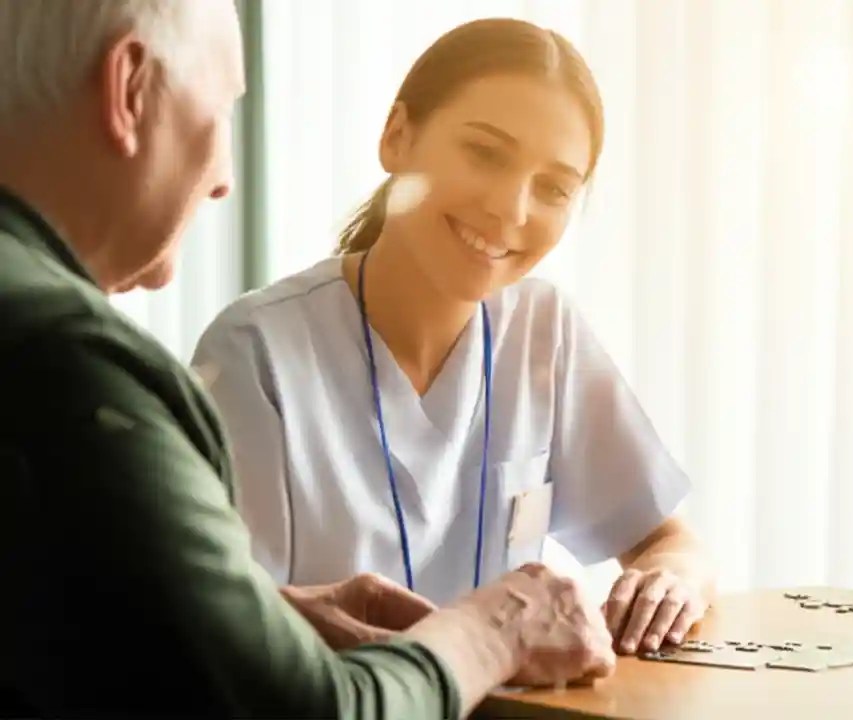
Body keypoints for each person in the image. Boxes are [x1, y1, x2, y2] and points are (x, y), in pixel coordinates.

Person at [0, 2, 616, 718]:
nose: (225, 177)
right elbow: (302, 712)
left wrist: (261, 619)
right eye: (225, 106)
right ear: (130, 87)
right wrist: (494, 628)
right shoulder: (71, 368)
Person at [190, 16, 715, 657]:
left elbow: (667, 541)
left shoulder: (544, 330)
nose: (511, 210)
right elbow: (229, 636)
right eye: (485, 153)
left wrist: (670, 582)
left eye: (551, 188)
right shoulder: (256, 354)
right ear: (397, 137)